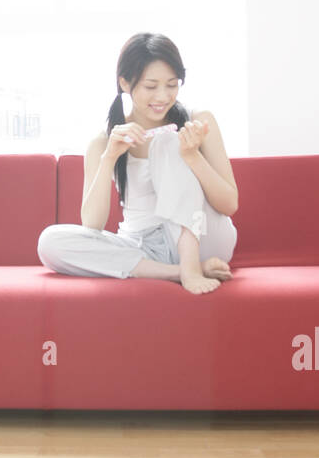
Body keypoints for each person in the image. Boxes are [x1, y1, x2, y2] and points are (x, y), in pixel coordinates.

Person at [37, 32, 238, 295]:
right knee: (50, 242)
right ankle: (180, 272)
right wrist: (109, 157)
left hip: (204, 237)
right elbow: (92, 225)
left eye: (172, 84)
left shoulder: (197, 121)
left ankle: (190, 263)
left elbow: (229, 204)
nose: (163, 96)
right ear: (125, 83)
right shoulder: (103, 142)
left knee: (167, 142)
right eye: (151, 86)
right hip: (142, 246)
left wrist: (191, 156)